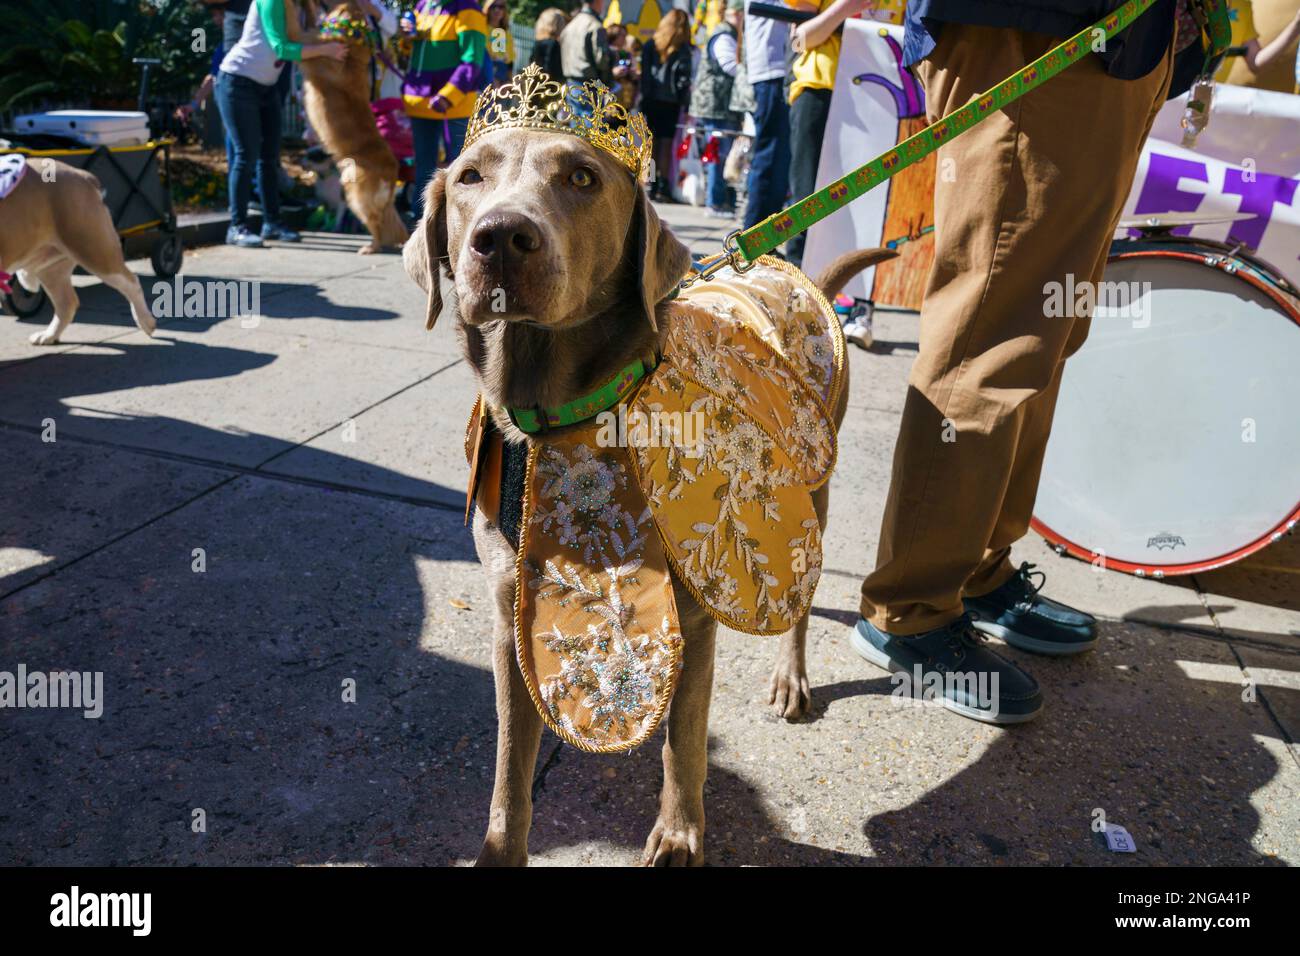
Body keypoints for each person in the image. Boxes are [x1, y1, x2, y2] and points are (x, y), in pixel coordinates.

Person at [849, 1, 1196, 724]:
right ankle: (909, 609)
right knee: (992, 332)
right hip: (1036, 25)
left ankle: (975, 567)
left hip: (1115, 40)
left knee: (1043, 330)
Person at [216, 0, 348, 247]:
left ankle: (272, 224)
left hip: (266, 87)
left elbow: (311, 36)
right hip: (237, 81)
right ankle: (237, 227)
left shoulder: (301, 6)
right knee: (246, 155)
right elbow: (281, 48)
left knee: (269, 159)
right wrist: (326, 50)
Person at [784, 0, 871, 267]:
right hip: (819, 89)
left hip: (876, 97)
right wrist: (845, 8)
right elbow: (798, 41)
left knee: (864, 195)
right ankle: (800, 280)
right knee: (808, 192)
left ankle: (853, 286)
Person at [401, 0, 488, 218]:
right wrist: (407, 38)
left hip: (454, 106)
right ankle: (423, 225)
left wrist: (449, 95)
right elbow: (415, 53)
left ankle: (460, 225)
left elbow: (472, 60)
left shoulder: (468, 7)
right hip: (420, 103)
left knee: (460, 171)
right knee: (424, 171)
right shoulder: (423, 5)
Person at [689, 0, 745, 217]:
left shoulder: (726, 33)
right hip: (715, 105)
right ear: (738, 14)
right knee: (717, 155)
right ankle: (715, 202)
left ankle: (718, 200)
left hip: (718, 105)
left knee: (719, 154)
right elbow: (730, 65)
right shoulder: (724, 34)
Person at [741, 0, 792, 232]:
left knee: (779, 159)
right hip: (772, 72)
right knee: (771, 156)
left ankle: (765, 234)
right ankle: (755, 233)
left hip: (777, 70)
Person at [640, 8, 693, 201]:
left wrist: (644, 98)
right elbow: (683, 82)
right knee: (665, 145)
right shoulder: (682, 48)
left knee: (651, 144)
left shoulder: (650, 45)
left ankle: (651, 183)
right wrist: (686, 105)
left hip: (650, 99)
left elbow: (645, 75)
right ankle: (663, 186)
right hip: (671, 102)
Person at [559, 0, 615, 85]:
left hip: (569, 84)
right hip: (588, 86)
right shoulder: (595, 26)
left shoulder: (569, 26)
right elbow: (602, 61)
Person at [529, 8, 570, 79]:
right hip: (551, 84)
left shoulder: (537, 43)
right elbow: (552, 69)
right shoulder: (554, 44)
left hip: (536, 82)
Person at [483, 0, 516, 86]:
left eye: (501, 7)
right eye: (493, 6)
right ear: (487, 8)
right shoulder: (480, 29)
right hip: (483, 78)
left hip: (502, 83)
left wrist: (509, 83)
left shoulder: (505, 34)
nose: (497, 10)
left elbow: (507, 62)